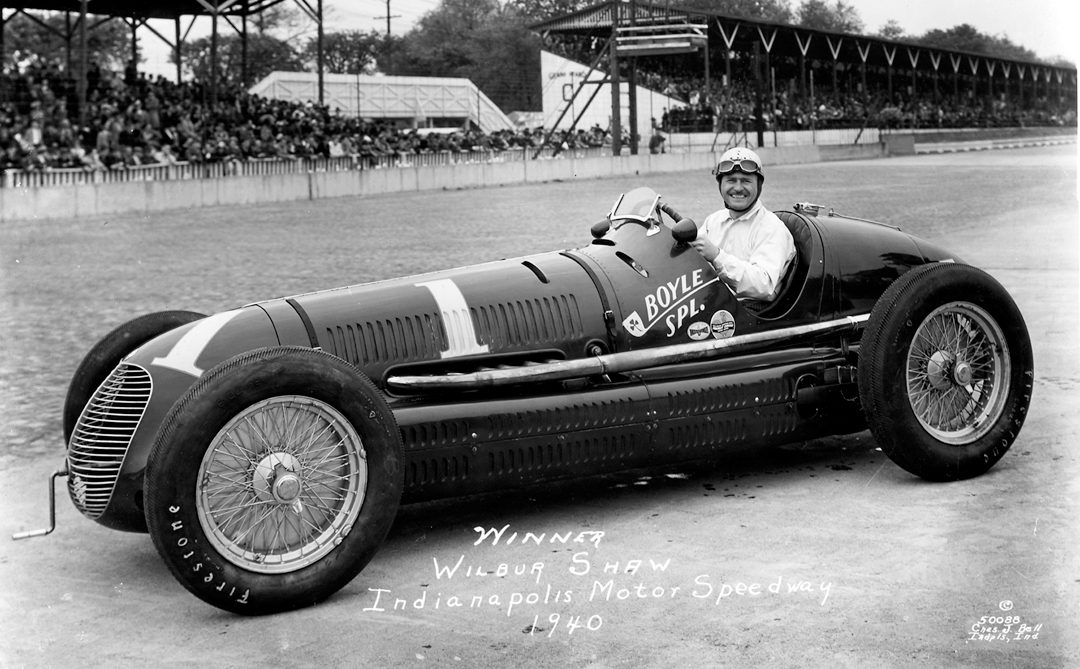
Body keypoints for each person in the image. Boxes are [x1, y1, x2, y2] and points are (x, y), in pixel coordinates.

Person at [689, 146, 795, 302]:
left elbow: (763, 285)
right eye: (731, 180)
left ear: (758, 185)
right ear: (720, 185)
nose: (738, 188)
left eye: (746, 181)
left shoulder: (771, 227)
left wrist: (717, 256)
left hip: (750, 315)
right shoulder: (714, 221)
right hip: (714, 305)